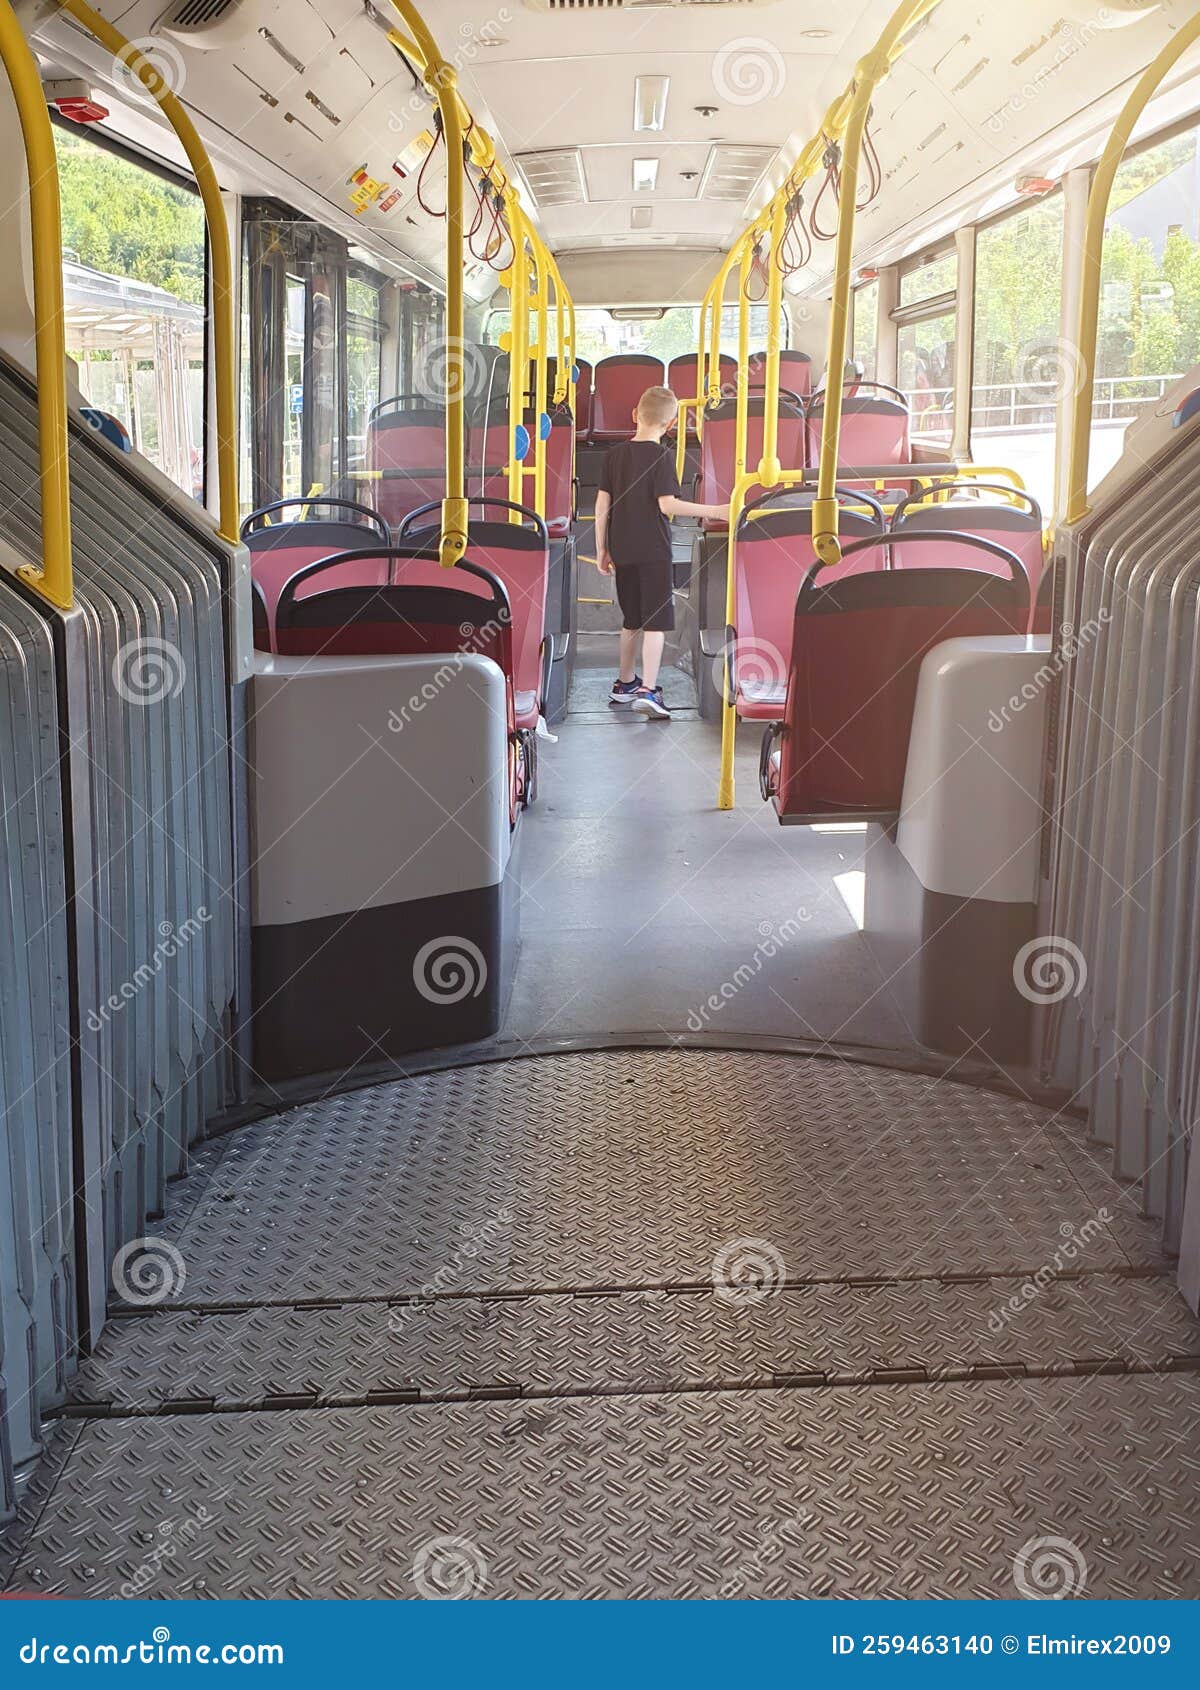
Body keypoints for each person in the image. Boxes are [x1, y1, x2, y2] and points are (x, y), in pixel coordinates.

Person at [593, 385, 728, 719]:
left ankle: (624, 683)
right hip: (652, 548)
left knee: (632, 620)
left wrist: (601, 549)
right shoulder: (663, 457)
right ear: (671, 425)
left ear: (635, 415)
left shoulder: (614, 455)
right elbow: (667, 504)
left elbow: (601, 505)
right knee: (655, 622)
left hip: (622, 547)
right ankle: (649, 690)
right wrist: (716, 511)